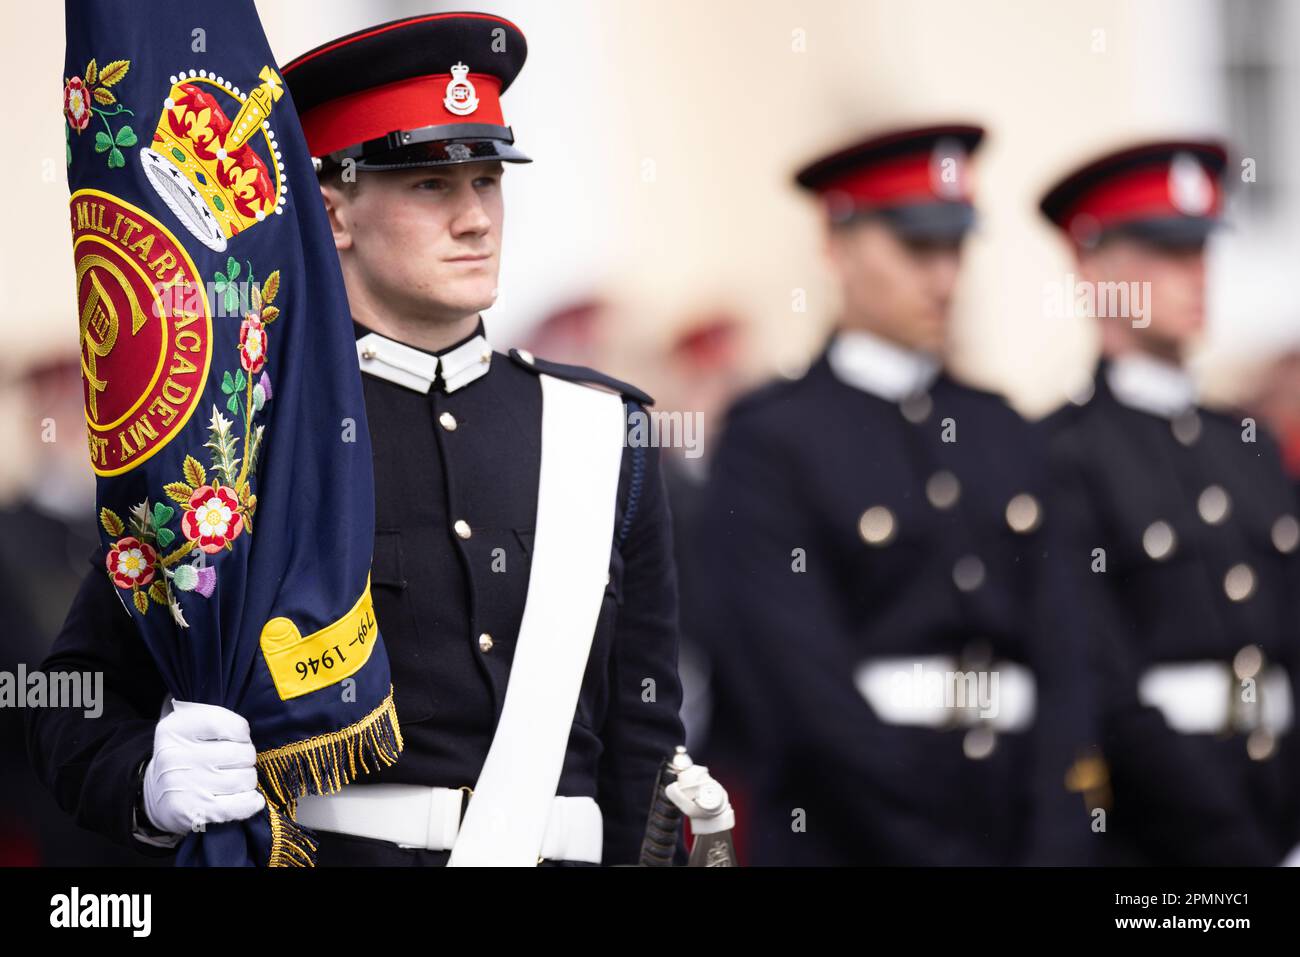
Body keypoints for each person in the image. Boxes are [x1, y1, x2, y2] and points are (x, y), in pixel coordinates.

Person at [26, 11, 686, 867]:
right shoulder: (239, 435)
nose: (477, 219)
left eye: (488, 181)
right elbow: (68, 699)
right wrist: (146, 781)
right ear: (333, 213)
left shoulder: (601, 430)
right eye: (430, 186)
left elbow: (646, 736)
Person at [694, 124, 1091, 865]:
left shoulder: (1003, 428)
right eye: (916, 248)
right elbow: (796, 685)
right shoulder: (775, 437)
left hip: (1015, 817)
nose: (944, 278)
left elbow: (1066, 651)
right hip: (855, 835)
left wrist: (1059, 831)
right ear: (838, 248)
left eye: (955, 247)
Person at [1039, 139, 1300, 865]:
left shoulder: (1246, 442)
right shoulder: (1064, 454)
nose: (1197, 275)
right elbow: (1104, 684)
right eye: (1166, 253)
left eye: (1203, 251)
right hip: (1163, 842)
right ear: (1093, 270)